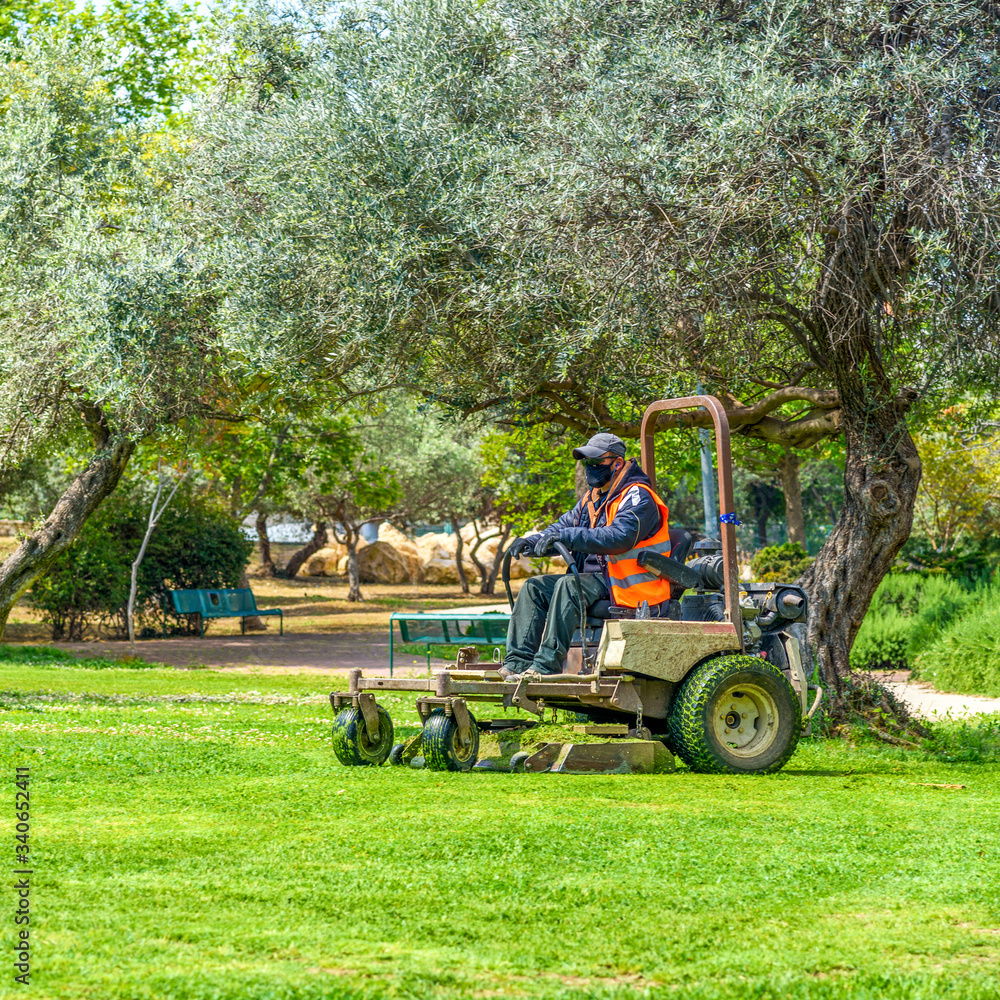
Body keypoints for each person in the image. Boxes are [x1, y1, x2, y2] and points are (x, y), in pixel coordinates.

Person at [500, 432, 674, 677]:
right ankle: (516, 664)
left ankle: (545, 667)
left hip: (629, 587)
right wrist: (533, 541)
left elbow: (619, 537)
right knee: (533, 587)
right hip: (598, 581)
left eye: (596, 461)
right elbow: (562, 528)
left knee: (570, 585)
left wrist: (568, 536)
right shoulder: (592, 498)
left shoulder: (638, 496)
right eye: (587, 462)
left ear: (618, 463)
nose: (589, 467)